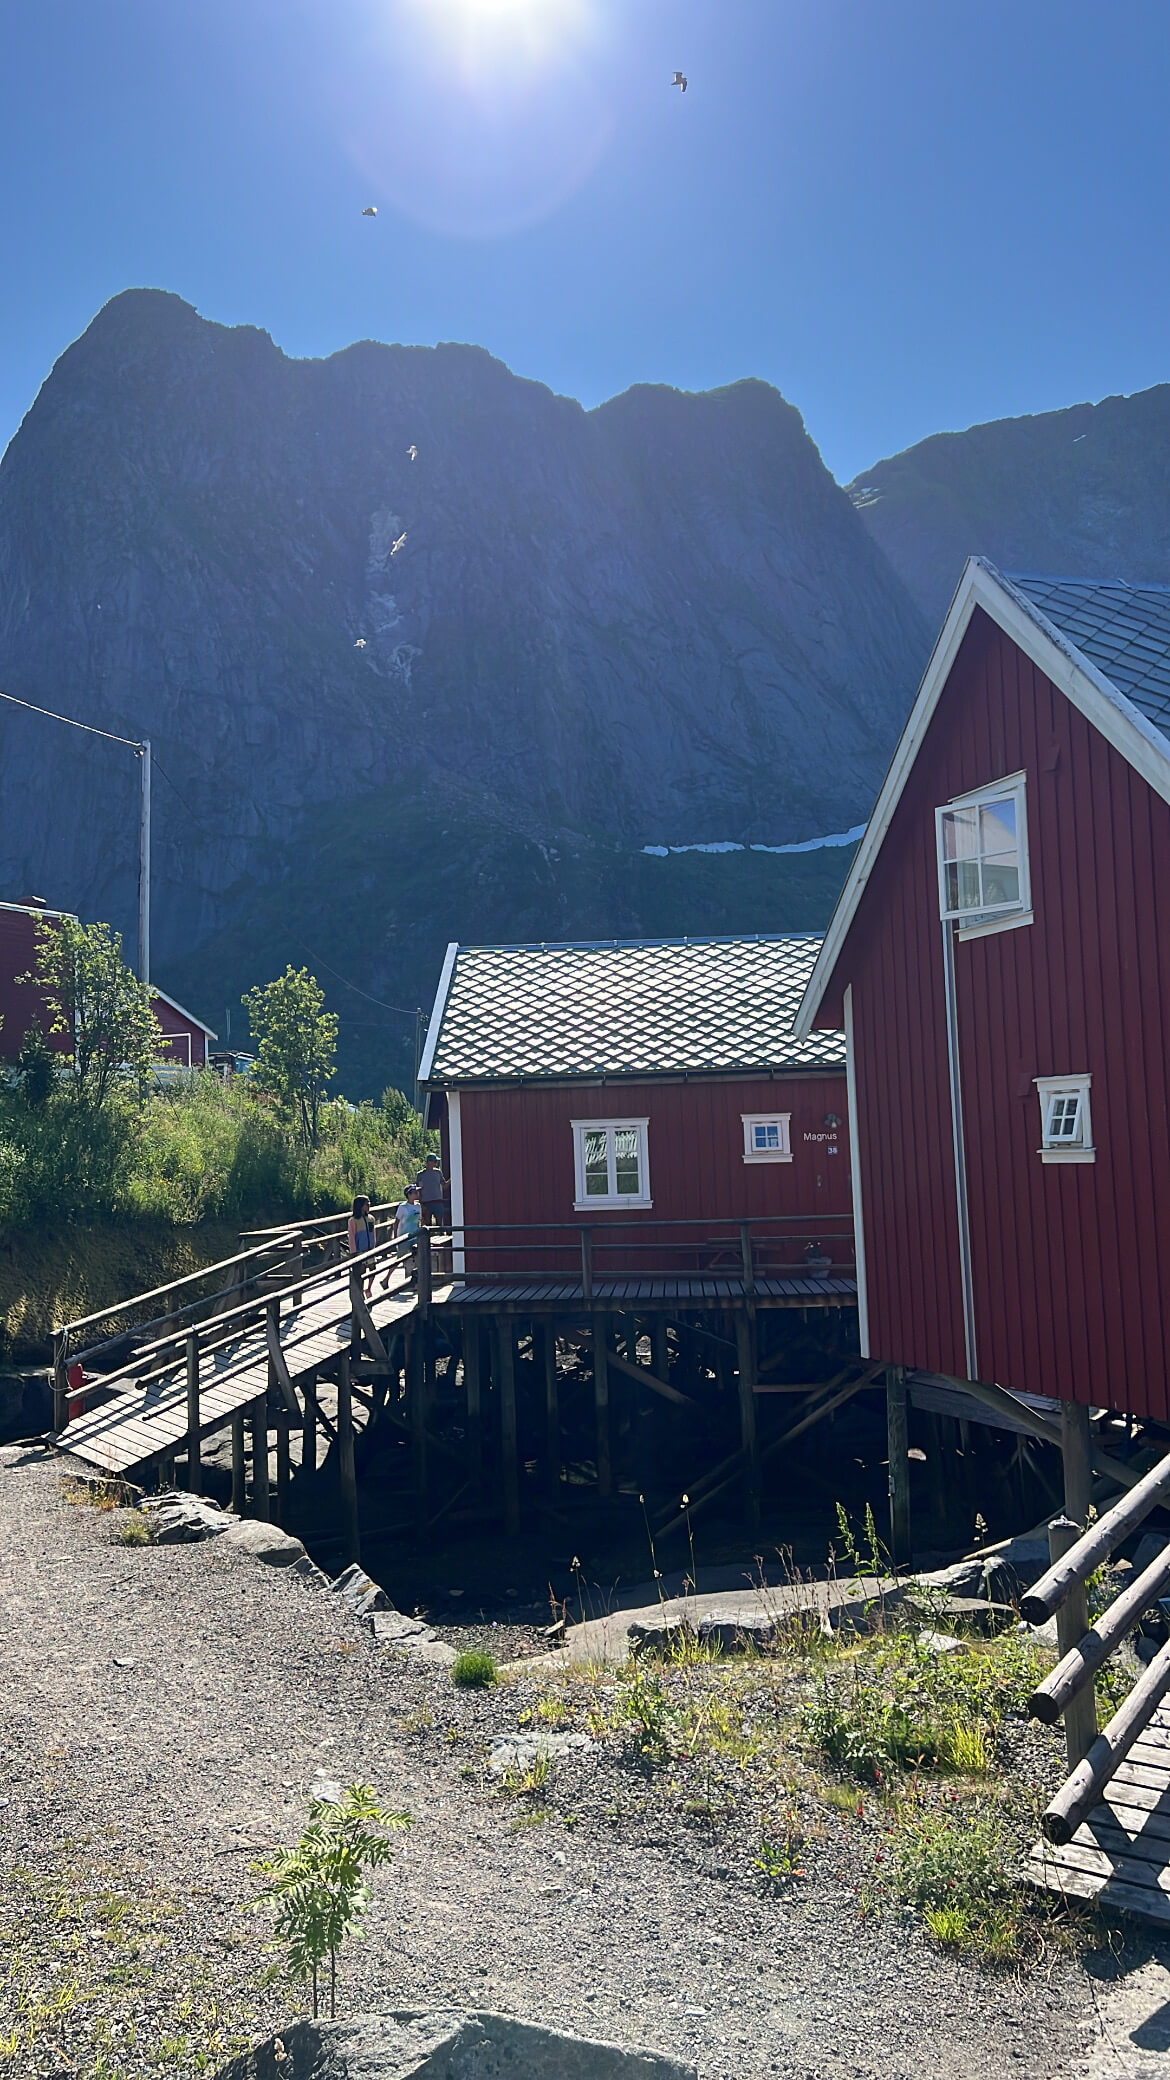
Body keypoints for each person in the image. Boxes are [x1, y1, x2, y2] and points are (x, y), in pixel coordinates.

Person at [387, 1184, 422, 1285]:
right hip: (404, 1236)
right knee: (399, 1258)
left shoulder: (418, 1206)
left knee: (417, 1258)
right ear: (409, 1194)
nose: (417, 1194)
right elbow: (396, 1222)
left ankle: (414, 1280)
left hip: (415, 1236)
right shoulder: (403, 1207)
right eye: (415, 1192)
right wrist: (395, 1237)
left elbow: (419, 1220)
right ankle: (386, 1279)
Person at [347, 1193, 377, 1297]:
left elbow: (373, 1233)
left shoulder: (371, 1219)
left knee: (373, 1268)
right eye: (366, 1204)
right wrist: (353, 1251)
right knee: (361, 1272)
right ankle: (360, 1291)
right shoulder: (353, 1220)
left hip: (370, 1249)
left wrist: (374, 1246)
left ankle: (368, 1288)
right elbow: (351, 1236)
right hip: (360, 1250)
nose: (368, 1206)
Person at [416, 1152, 449, 1229]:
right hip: (426, 1203)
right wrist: (421, 1204)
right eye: (435, 1161)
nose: (436, 1163)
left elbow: (444, 1186)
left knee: (440, 1224)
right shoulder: (421, 1174)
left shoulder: (438, 1172)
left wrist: (452, 1179)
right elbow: (418, 1190)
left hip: (438, 1202)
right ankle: (427, 1240)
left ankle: (441, 1238)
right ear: (429, 1162)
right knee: (427, 1225)